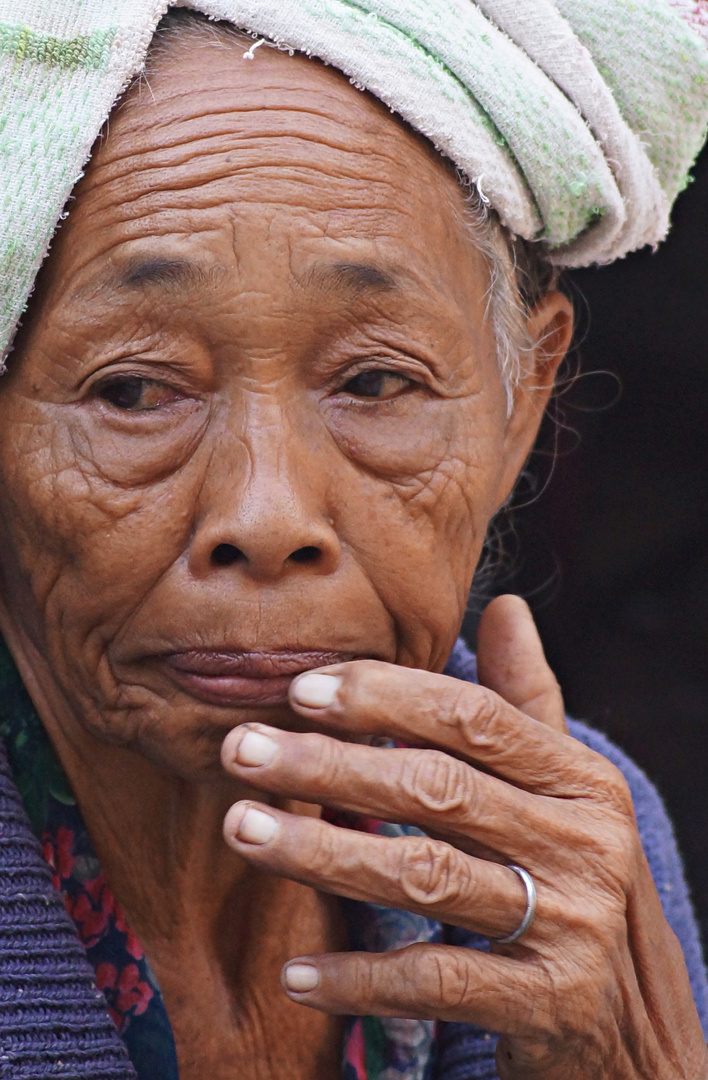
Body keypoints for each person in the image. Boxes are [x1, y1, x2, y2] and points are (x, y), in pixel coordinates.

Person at [0, 3, 706, 1079]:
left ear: (519, 406)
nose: (267, 519)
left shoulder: (577, 862)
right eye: (134, 391)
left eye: (376, 382)